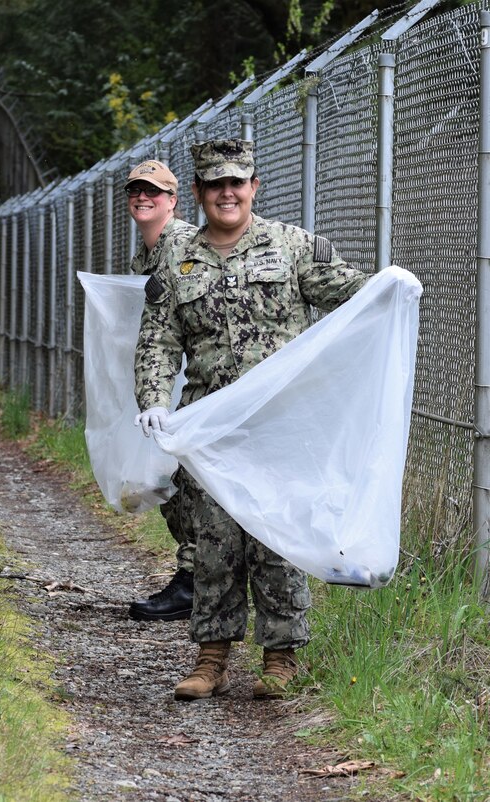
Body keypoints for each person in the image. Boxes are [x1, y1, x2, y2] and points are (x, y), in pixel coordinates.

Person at [133, 139, 368, 700]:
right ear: (198, 193)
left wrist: (395, 289)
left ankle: (280, 659)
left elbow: (357, 297)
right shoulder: (176, 256)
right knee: (213, 540)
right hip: (210, 426)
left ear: (254, 187)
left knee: (276, 538)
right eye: (215, 184)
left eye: (237, 182)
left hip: (279, 424)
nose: (227, 193)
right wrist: (153, 400)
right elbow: (158, 336)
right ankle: (210, 658)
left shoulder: (292, 247)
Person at [123, 159, 197, 623]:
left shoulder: (185, 246)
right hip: (168, 378)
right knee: (164, 478)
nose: (142, 198)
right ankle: (197, 578)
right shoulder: (145, 255)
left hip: (199, 379)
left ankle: (193, 582)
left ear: (172, 200)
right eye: (135, 191)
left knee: (184, 478)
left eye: (153, 191)